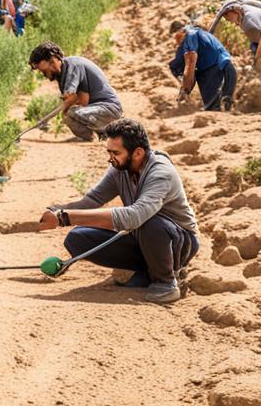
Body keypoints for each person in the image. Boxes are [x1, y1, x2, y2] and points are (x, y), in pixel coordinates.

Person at [39, 118, 199, 304]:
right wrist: (56, 210)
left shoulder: (161, 174)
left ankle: (166, 282)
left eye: (116, 152)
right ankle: (148, 271)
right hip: (143, 238)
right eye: (109, 152)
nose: (110, 157)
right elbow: (93, 200)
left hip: (178, 241)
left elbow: (135, 216)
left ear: (138, 153)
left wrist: (64, 218)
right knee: (77, 238)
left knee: (148, 221)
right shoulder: (120, 168)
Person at [29, 41, 123, 141]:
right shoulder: (62, 73)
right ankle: (92, 138)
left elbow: (71, 99)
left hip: (109, 108)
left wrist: (45, 119)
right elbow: (82, 98)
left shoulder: (73, 67)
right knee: (69, 114)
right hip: (96, 109)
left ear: (52, 60)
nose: (43, 73)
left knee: (71, 113)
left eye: (43, 70)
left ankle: (108, 132)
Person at [212, 1, 261, 113]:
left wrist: (257, 58)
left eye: (228, 16)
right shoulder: (244, 8)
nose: (227, 20)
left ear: (235, 12)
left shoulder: (248, 23)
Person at [169, 20, 236, 112]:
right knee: (217, 105)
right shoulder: (199, 33)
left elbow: (191, 61)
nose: (176, 41)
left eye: (176, 37)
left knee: (213, 110)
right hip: (221, 65)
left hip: (213, 68)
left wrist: (185, 89)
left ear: (181, 32)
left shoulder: (190, 35)